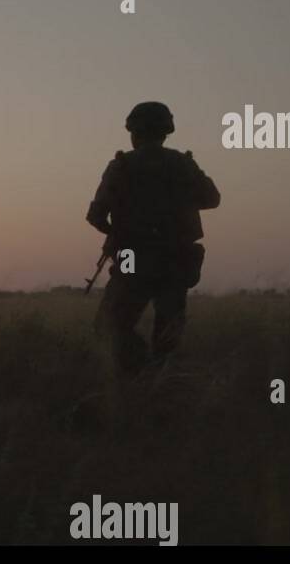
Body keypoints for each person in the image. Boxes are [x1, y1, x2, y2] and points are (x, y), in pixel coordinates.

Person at [86, 101, 220, 373]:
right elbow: (212, 198)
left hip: (132, 257)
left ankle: (140, 375)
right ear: (166, 131)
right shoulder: (183, 164)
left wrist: (118, 233)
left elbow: (96, 216)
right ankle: (162, 383)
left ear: (134, 132)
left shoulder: (122, 166)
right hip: (176, 258)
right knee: (168, 335)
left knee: (109, 326)